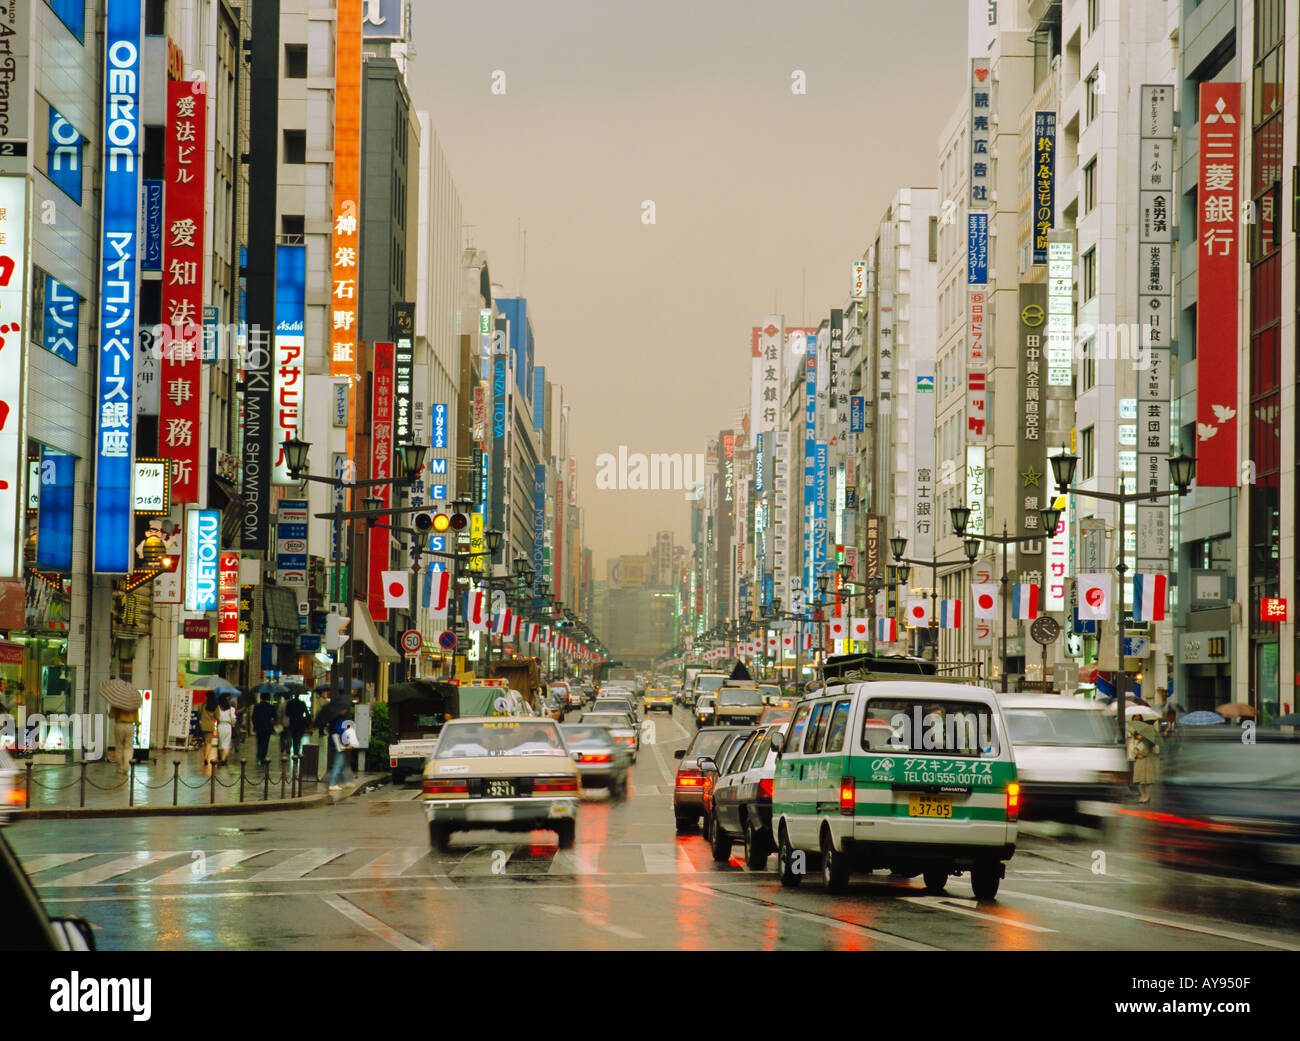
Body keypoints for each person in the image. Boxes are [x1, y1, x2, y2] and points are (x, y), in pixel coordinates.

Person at [1128, 718, 1161, 803]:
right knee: (1141, 781)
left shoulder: (1147, 740)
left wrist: (1138, 754)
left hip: (1145, 761)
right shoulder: (1140, 740)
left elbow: (1146, 751)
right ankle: (1143, 796)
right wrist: (1136, 752)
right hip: (1140, 761)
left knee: (1145, 781)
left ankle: (1146, 796)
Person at [108, 703, 138, 775]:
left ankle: (120, 768)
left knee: (119, 746)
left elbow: (111, 715)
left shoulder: (117, 701)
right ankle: (126, 766)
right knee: (128, 746)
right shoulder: (133, 702)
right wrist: (138, 726)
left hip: (119, 725)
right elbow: (136, 717)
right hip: (130, 725)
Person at [328, 710, 352, 790]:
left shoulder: (334, 719)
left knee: (342, 764)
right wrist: (347, 743)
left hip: (335, 742)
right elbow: (341, 732)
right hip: (339, 743)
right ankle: (333, 783)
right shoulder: (339, 719)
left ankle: (344, 782)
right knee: (338, 763)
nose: (345, 710)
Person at [252, 692, 276, 768]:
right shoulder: (270, 707)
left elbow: (253, 717)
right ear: (268, 698)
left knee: (259, 742)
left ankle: (259, 756)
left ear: (261, 698)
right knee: (265, 743)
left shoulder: (257, 706)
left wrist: (255, 724)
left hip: (258, 728)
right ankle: (263, 757)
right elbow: (274, 716)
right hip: (267, 728)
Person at [197, 693, 218, 777]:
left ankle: (204, 756)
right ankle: (206, 758)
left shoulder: (202, 705)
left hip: (202, 725)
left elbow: (199, 714)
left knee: (204, 743)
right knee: (209, 743)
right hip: (210, 726)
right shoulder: (215, 707)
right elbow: (217, 717)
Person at [283, 694, 309, 762]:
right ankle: (297, 750)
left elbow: (287, 713)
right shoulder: (302, 703)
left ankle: (295, 751)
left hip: (292, 723)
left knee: (294, 738)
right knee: (299, 738)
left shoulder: (290, 703)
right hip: (301, 723)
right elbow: (306, 713)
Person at [216, 692, 236, 767]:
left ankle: (222, 758)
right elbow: (233, 719)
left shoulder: (218, 708)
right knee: (226, 743)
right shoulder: (231, 709)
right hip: (228, 726)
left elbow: (216, 717)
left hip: (220, 726)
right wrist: (233, 723)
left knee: (221, 744)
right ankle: (224, 760)